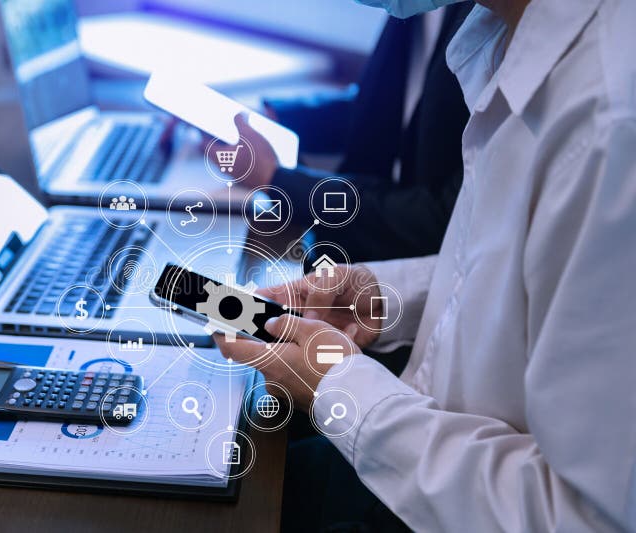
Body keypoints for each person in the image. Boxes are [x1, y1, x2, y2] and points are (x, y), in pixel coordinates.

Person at [217, 0, 636, 531]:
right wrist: (390, 294)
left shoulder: (609, 123)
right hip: (430, 457)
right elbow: (528, 267)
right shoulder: (506, 39)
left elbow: (583, 517)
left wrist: (339, 386)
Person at [211, 5, 472, 262]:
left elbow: (441, 220)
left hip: (410, 265)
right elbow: (388, 104)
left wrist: (276, 179)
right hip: (361, 248)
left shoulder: (485, 24)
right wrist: (274, 118)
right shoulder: (416, 10)